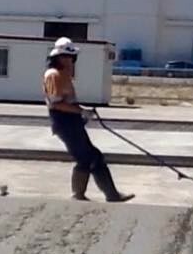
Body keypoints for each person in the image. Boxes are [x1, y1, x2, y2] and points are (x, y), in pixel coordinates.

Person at [43, 37, 134, 202]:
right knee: (88, 157)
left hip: (72, 121)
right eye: (65, 57)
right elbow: (56, 104)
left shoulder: (63, 74)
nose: (69, 60)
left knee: (92, 157)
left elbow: (68, 101)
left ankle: (104, 194)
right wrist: (82, 111)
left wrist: (82, 112)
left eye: (71, 57)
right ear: (57, 58)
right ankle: (87, 194)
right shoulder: (53, 75)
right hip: (64, 123)